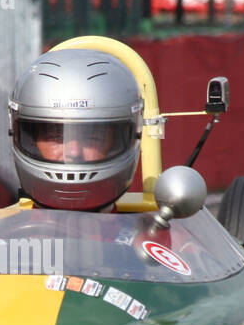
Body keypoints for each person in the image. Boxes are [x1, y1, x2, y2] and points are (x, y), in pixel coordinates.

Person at [8, 48, 144, 211]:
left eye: (92, 137)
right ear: (29, 139)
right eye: (56, 136)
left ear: (119, 140)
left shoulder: (151, 234)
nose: (73, 152)